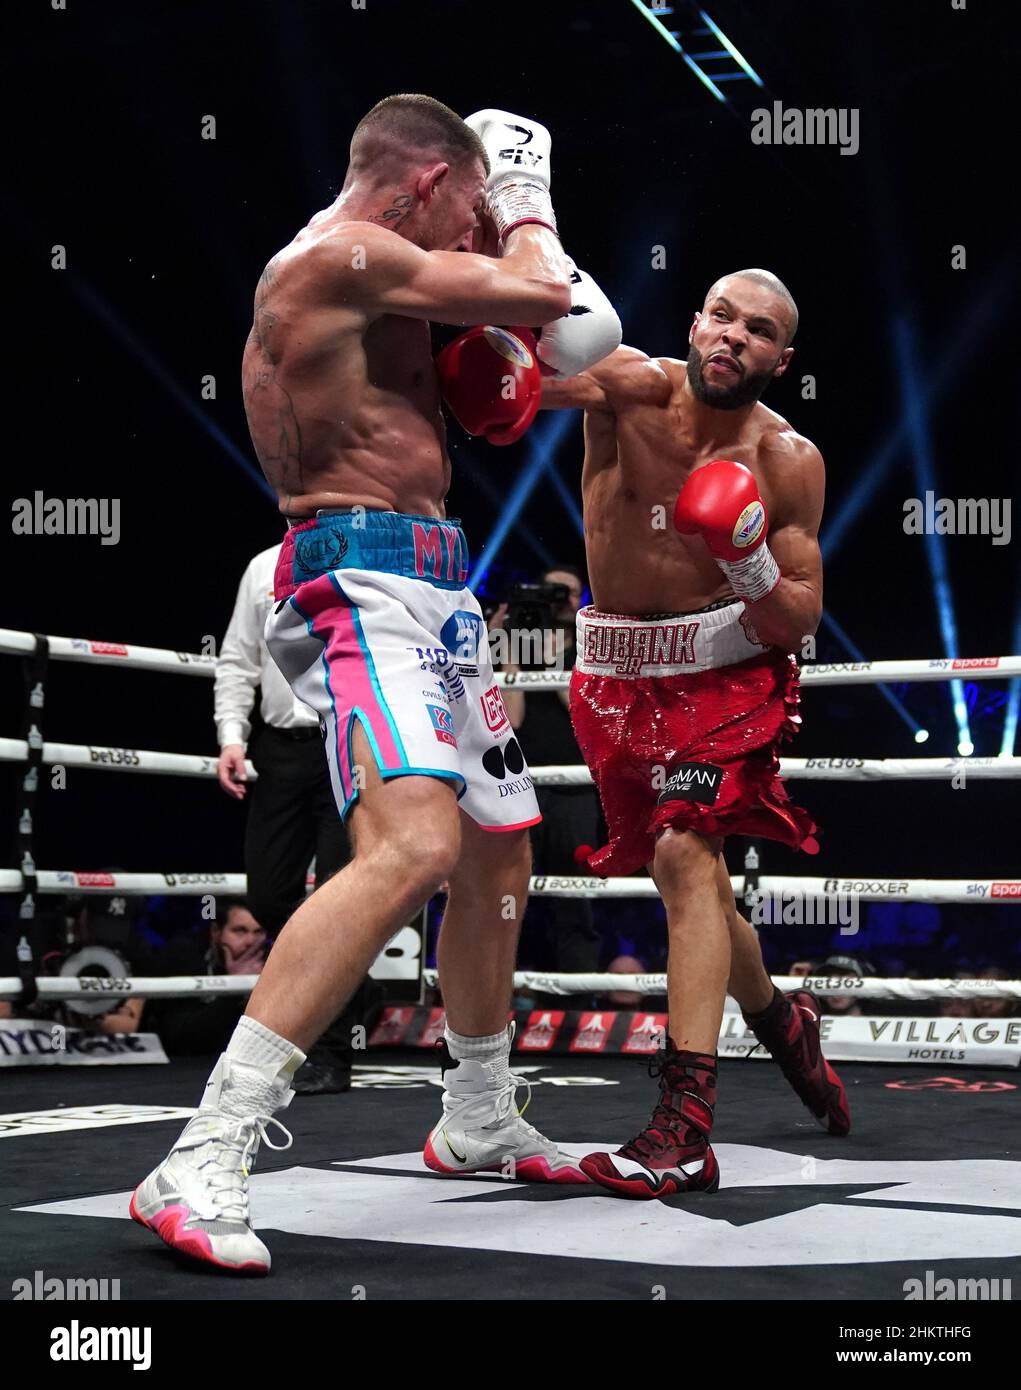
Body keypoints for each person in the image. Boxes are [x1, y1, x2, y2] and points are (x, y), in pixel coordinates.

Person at [131, 95, 621, 1273]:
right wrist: (525, 195)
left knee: (503, 841)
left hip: (441, 592)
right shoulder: (340, 256)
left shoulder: (385, 286)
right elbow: (547, 295)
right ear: (425, 183)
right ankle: (201, 1152)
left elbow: (539, 372)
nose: (473, 230)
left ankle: (478, 1109)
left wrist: (522, 370)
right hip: (357, 581)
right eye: (466, 207)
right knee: (410, 850)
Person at [533, 268, 850, 1197]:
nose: (731, 338)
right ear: (693, 321)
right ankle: (782, 1022)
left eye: (756, 332)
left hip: (728, 673)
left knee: (681, 855)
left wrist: (745, 558)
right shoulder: (625, 384)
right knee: (697, 881)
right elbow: (494, 395)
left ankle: (685, 1124)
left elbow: (797, 617)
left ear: (779, 360)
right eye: (720, 317)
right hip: (617, 674)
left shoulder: (786, 459)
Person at [216, 543, 368, 1093]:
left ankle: (329, 1050)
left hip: (349, 738)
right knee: (268, 891)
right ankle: (353, 985)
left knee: (339, 894)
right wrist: (231, 737)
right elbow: (237, 657)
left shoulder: (367, 559)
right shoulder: (263, 565)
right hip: (279, 747)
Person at [498, 564, 602, 984]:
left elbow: (584, 713)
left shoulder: (592, 648)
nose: (561, 598)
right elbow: (511, 718)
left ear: (581, 601)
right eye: (552, 591)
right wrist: (508, 649)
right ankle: (502, 999)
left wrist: (553, 661)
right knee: (509, 896)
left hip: (575, 788)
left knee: (574, 896)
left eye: (570, 592)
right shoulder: (513, 642)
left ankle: (579, 999)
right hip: (519, 785)